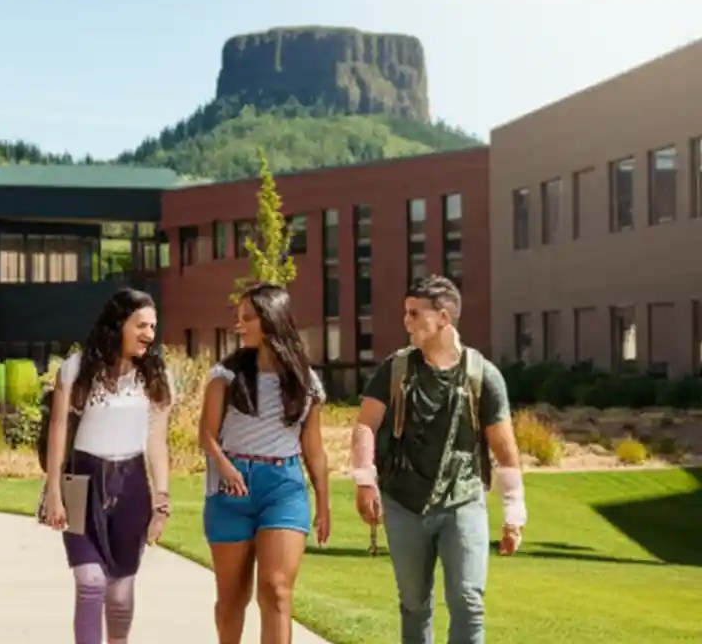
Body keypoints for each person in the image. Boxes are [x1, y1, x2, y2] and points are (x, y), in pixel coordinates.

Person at [350, 274, 527, 644]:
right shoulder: (395, 369)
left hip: (463, 502)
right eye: (405, 313)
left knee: (468, 601)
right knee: (414, 604)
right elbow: (366, 425)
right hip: (403, 503)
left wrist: (513, 514)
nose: (406, 321)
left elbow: (505, 450)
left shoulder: (482, 375)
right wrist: (365, 480)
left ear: (443, 318)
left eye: (415, 314)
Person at [198, 282, 331, 644]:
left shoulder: (306, 382)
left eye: (248, 318)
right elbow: (206, 436)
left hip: (284, 488)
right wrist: (226, 467)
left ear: (273, 320)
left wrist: (323, 503)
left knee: (275, 590)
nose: (239, 326)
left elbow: (314, 450)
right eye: (237, 319)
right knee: (232, 599)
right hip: (231, 490)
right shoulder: (225, 376)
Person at [41, 287, 173, 644]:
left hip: (132, 487)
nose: (149, 334)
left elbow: (157, 443)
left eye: (153, 326)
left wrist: (161, 501)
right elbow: (58, 430)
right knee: (90, 583)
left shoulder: (157, 377)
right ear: (118, 325)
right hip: (81, 484)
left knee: (118, 594)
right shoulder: (76, 369)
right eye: (141, 325)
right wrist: (54, 491)